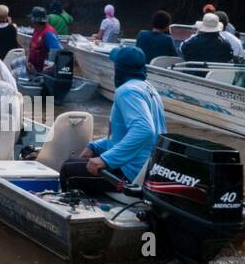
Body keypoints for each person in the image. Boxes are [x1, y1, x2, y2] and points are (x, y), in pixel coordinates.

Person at [59, 47, 166, 193]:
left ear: (120, 68)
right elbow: (120, 135)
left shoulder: (127, 91)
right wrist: (95, 147)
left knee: (68, 168)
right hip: (147, 169)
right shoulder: (148, 88)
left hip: (130, 173)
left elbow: (144, 130)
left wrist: (106, 160)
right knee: (82, 161)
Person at [27, 7, 63, 74]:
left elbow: (57, 50)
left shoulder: (48, 33)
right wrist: (29, 63)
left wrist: (49, 67)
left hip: (42, 73)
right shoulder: (36, 30)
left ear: (35, 21)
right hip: (34, 70)